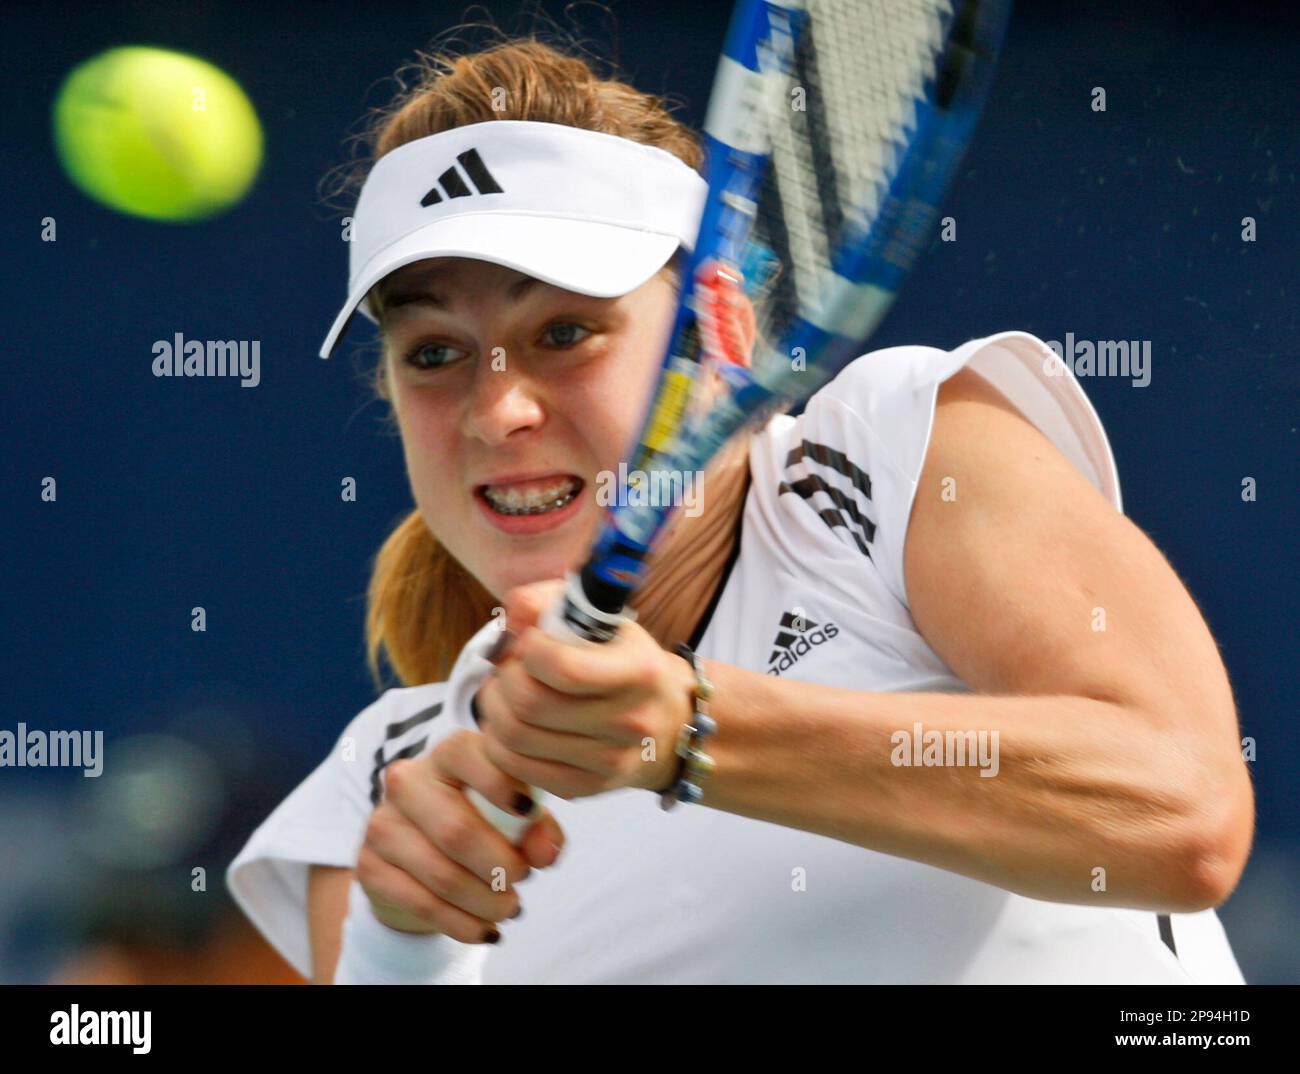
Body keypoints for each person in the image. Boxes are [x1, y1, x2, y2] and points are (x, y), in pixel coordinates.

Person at [227, 35, 1253, 984]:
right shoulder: (387, 784)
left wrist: (692, 730)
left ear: (721, 325)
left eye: (566, 331)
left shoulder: (891, 457)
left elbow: (1181, 814)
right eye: (435, 354)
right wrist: (401, 948)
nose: (498, 410)